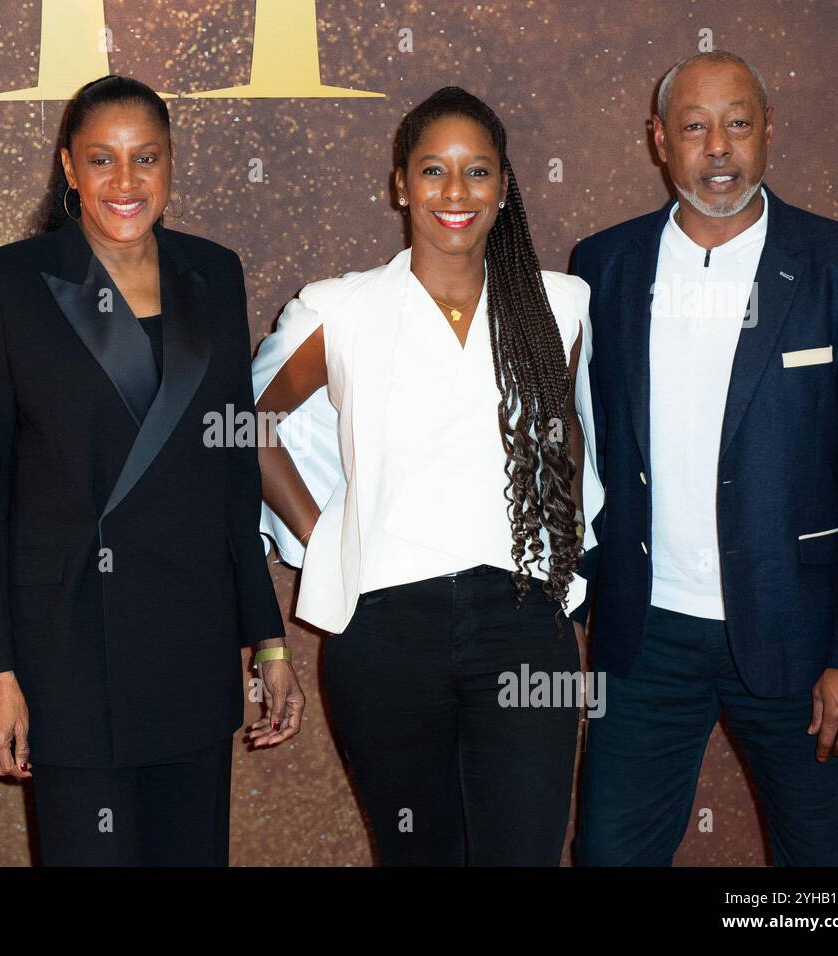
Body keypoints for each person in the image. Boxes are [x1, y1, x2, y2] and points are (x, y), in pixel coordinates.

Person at [0, 74, 304, 867]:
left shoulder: (214, 272)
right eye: (102, 160)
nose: (125, 182)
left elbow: (230, 471)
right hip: (67, 652)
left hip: (191, 642)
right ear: (69, 168)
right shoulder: (6, 282)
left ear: (172, 164)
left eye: (146, 158)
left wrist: (267, 639)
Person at [571, 51, 838, 866]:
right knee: (610, 854)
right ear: (659, 140)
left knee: (821, 868)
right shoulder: (604, 266)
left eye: (737, 124)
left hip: (797, 636)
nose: (717, 147)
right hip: (645, 632)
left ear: (767, 132)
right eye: (693, 126)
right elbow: (585, 441)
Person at [252, 87, 601, 866]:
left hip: (523, 621)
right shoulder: (338, 309)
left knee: (524, 852)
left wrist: (561, 554)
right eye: (433, 170)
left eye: (477, 171)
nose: (456, 192)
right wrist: (329, 539)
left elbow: (568, 440)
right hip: (383, 633)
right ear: (400, 184)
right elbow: (249, 427)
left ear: (504, 185)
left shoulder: (560, 304)